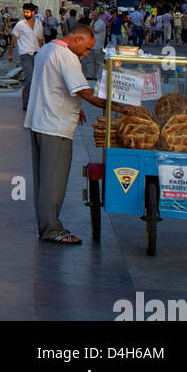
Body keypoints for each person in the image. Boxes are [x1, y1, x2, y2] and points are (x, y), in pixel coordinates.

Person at [24, 24, 127, 244]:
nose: (87, 53)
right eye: (87, 48)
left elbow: (53, 85)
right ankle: (52, 229)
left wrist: (75, 106)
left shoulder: (47, 49)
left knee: (43, 180)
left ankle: (46, 225)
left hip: (39, 121)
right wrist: (119, 107)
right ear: (77, 39)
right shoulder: (67, 56)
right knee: (54, 180)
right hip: (54, 125)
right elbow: (85, 92)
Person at [4, 3, 44, 113]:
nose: (25, 14)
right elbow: (14, 39)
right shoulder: (20, 24)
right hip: (25, 53)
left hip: (37, 52)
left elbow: (40, 38)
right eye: (24, 12)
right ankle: (26, 100)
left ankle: (36, 100)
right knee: (29, 77)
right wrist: (10, 53)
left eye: (27, 12)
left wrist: (42, 52)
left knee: (37, 77)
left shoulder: (38, 24)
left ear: (33, 12)